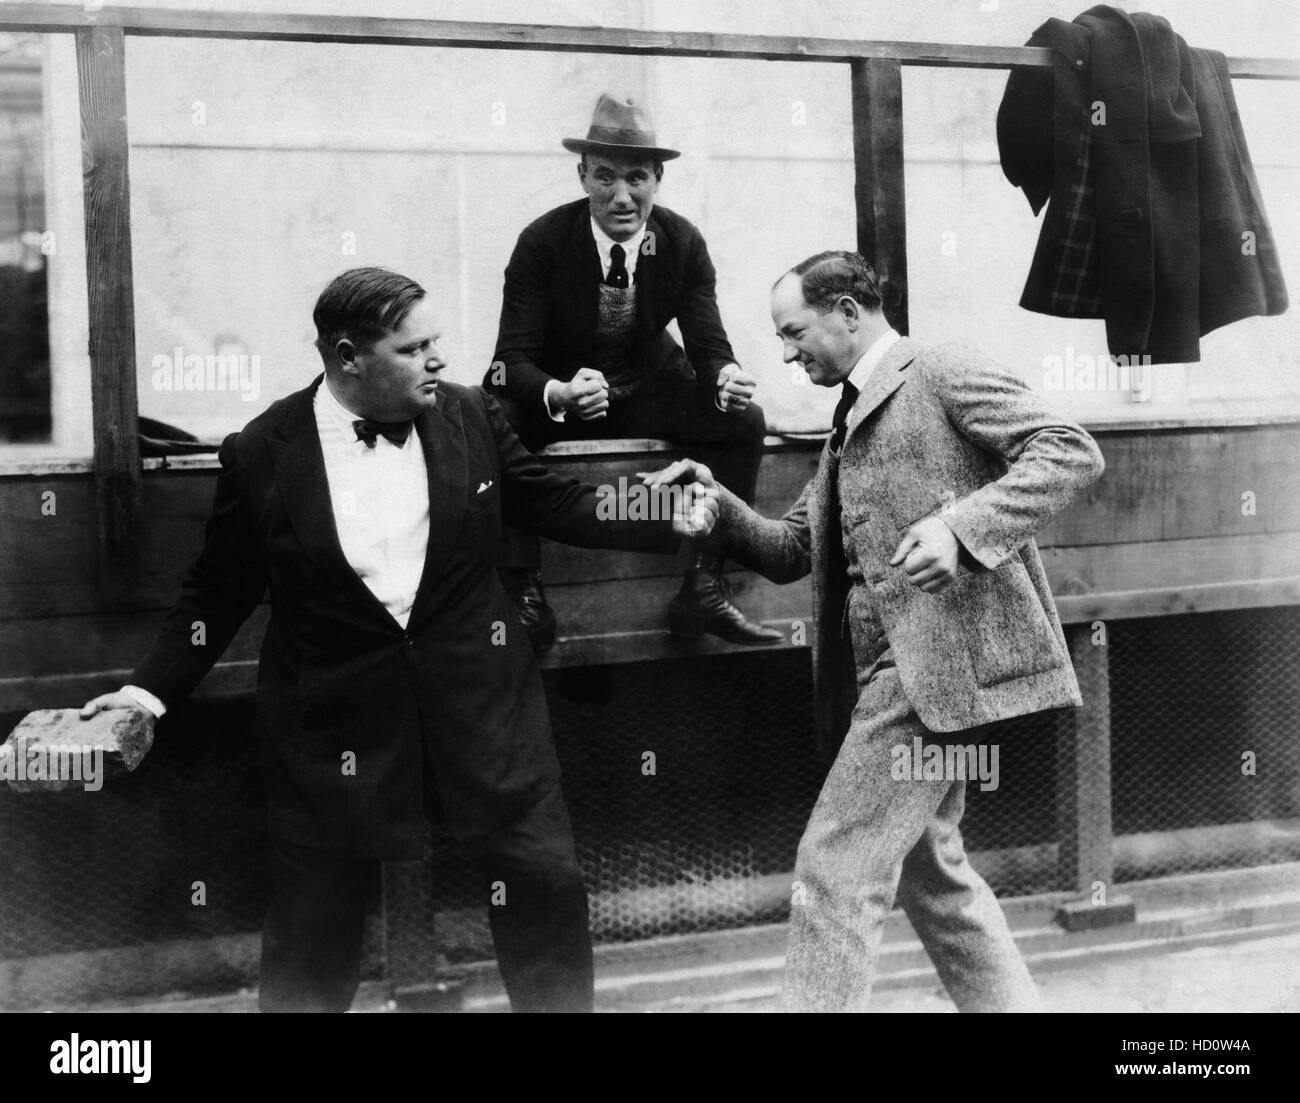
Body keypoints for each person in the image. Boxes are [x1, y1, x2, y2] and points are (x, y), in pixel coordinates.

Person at [80, 267, 718, 1013]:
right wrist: (143, 696)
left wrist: (659, 504)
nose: (438, 361)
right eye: (415, 348)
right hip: (336, 723)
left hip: (484, 708)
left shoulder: (471, 414)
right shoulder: (263, 450)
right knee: (313, 931)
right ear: (349, 356)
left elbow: (553, 498)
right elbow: (214, 592)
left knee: (545, 886)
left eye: (436, 343)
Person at [644, 251, 1105, 1011]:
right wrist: (718, 502)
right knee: (933, 874)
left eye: (795, 332)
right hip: (895, 677)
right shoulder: (848, 420)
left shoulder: (939, 368)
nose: (788, 352)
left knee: (832, 869)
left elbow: (1068, 449)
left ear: (848, 314)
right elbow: (793, 549)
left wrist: (960, 528)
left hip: (934, 673)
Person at [483, 92, 780, 654]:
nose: (622, 196)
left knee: (743, 420)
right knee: (493, 415)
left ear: (658, 177)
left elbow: (709, 346)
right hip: (564, 398)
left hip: (645, 389)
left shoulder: (683, 242)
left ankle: (705, 589)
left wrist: (725, 378)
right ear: (582, 176)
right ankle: (523, 592)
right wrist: (559, 392)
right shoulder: (542, 242)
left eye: (637, 177)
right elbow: (505, 365)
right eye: (605, 177)